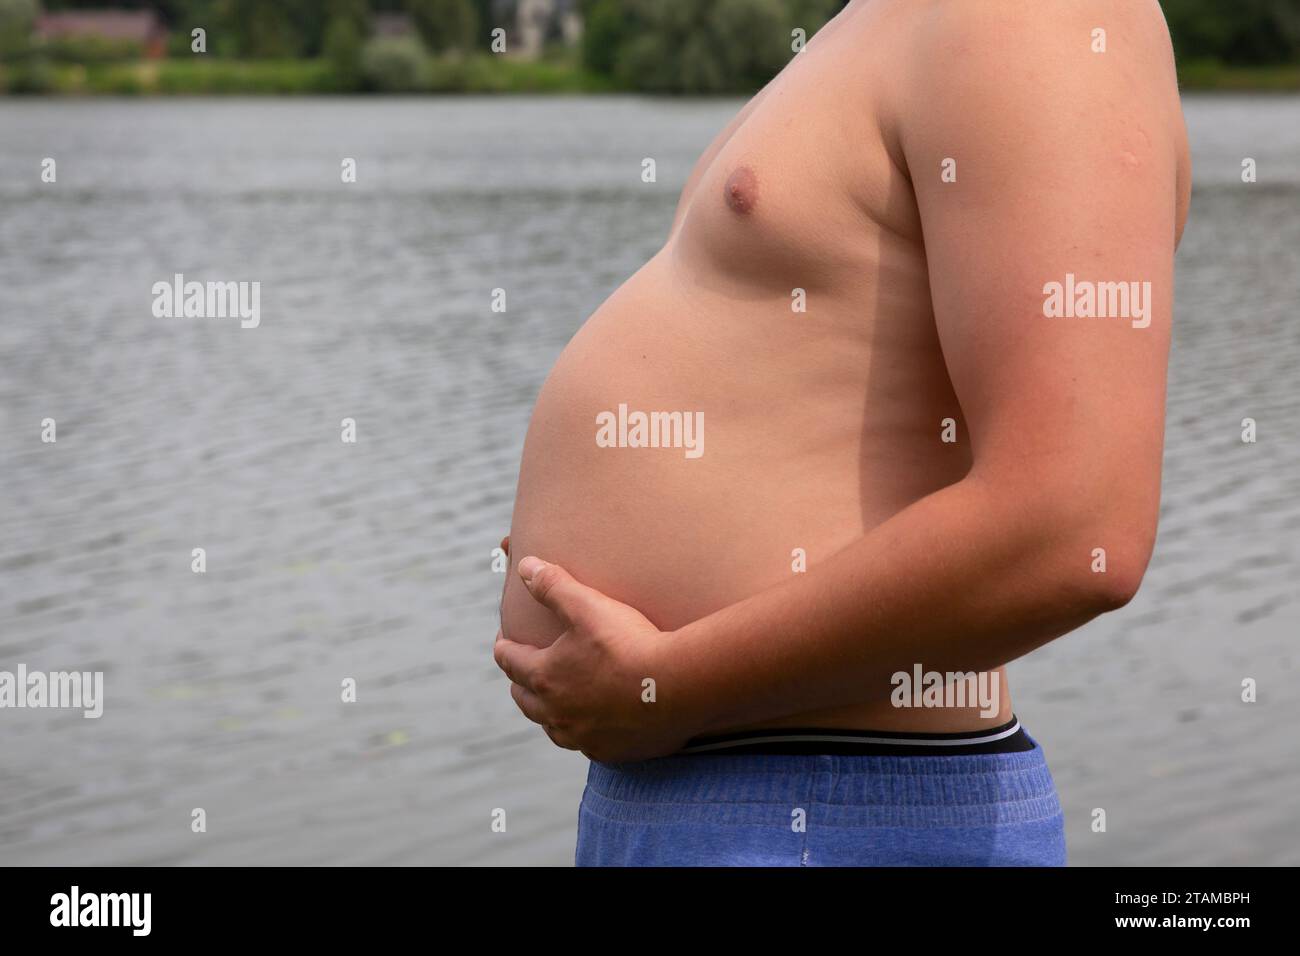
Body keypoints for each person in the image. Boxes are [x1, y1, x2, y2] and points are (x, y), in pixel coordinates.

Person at [494, 0, 1190, 866]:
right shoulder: (876, 22)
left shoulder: (1038, 17)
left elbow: (1078, 526)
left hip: (834, 812)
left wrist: (666, 685)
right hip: (707, 797)